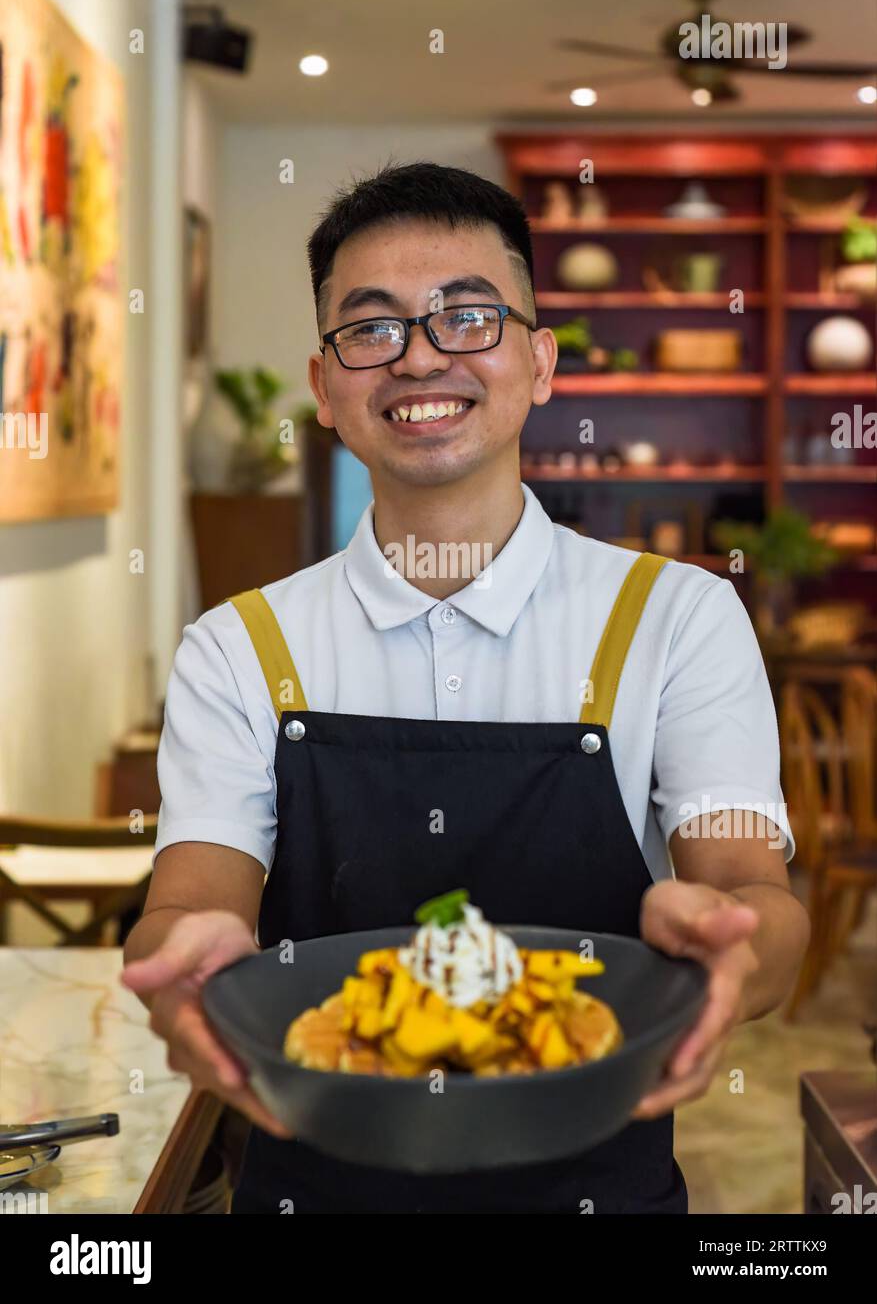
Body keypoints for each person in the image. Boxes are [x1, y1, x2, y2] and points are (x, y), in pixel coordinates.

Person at [122, 162, 809, 1214]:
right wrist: (189, 962)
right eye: (372, 328)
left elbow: (757, 900)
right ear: (324, 386)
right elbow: (190, 901)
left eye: (468, 317)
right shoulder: (238, 644)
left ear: (539, 363)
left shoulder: (675, 617)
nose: (420, 357)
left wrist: (730, 958)